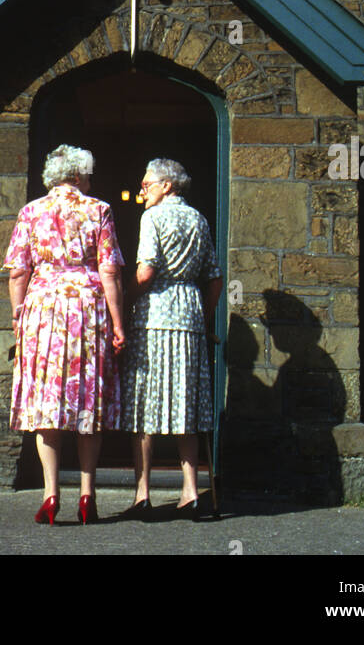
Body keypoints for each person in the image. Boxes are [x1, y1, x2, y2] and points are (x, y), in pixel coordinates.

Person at [2, 143, 125, 524]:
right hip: (87, 309)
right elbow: (110, 271)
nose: (90, 178)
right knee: (88, 403)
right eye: (87, 172)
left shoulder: (31, 211)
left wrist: (17, 316)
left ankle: (50, 495)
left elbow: (18, 271)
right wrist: (119, 324)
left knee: (47, 402)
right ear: (75, 174)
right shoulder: (98, 210)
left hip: (43, 310)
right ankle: (87, 495)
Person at [121, 158, 223, 518]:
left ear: (167, 185)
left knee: (145, 404)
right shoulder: (199, 219)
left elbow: (146, 271)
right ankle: (191, 490)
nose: (142, 190)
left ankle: (142, 493)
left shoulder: (153, 218)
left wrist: (122, 301)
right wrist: (205, 319)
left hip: (155, 316)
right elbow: (214, 278)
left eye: (147, 184)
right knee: (186, 402)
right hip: (190, 316)